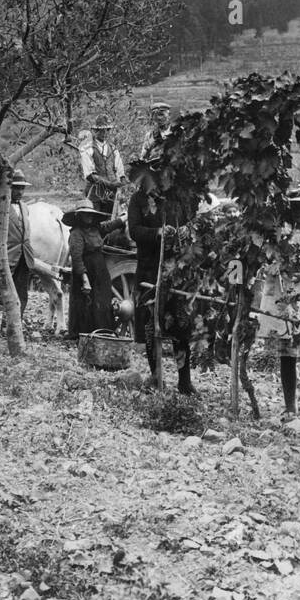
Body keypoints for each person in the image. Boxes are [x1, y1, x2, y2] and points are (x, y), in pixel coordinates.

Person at [126, 156, 196, 394]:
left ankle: (184, 381)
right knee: (150, 324)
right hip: (148, 269)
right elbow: (134, 231)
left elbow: (189, 222)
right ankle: (156, 377)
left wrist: (186, 230)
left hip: (175, 270)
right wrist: (157, 232)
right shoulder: (137, 201)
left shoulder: (174, 200)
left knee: (181, 325)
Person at [254, 189, 300, 422]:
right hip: (284, 297)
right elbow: (269, 260)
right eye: (296, 206)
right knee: (287, 354)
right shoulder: (281, 234)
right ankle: (290, 407)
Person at [63, 197, 123, 340]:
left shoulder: (96, 229)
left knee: (102, 301)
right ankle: (81, 334)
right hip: (85, 271)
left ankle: (102, 331)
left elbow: (109, 226)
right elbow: (76, 258)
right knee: (85, 303)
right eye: (84, 214)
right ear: (78, 216)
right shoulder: (76, 234)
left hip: (100, 271)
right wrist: (84, 279)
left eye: (90, 214)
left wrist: (123, 219)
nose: (88, 217)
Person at [79, 115, 124, 216]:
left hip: (112, 193)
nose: (104, 133)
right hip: (95, 193)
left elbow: (120, 171)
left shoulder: (113, 149)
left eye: (107, 130)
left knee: (114, 221)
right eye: (101, 130)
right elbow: (90, 175)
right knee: (95, 220)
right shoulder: (87, 149)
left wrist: (121, 183)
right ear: (95, 131)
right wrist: (109, 184)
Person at [5, 169, 33, 322]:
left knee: (22, 290)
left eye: (22, 188)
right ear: (9, 188)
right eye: (16, 188)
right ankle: (1, 320)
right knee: (3, 290)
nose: (20, 192)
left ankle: (17, 320)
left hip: (24, 255)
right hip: (8, 255)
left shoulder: (25, 207)